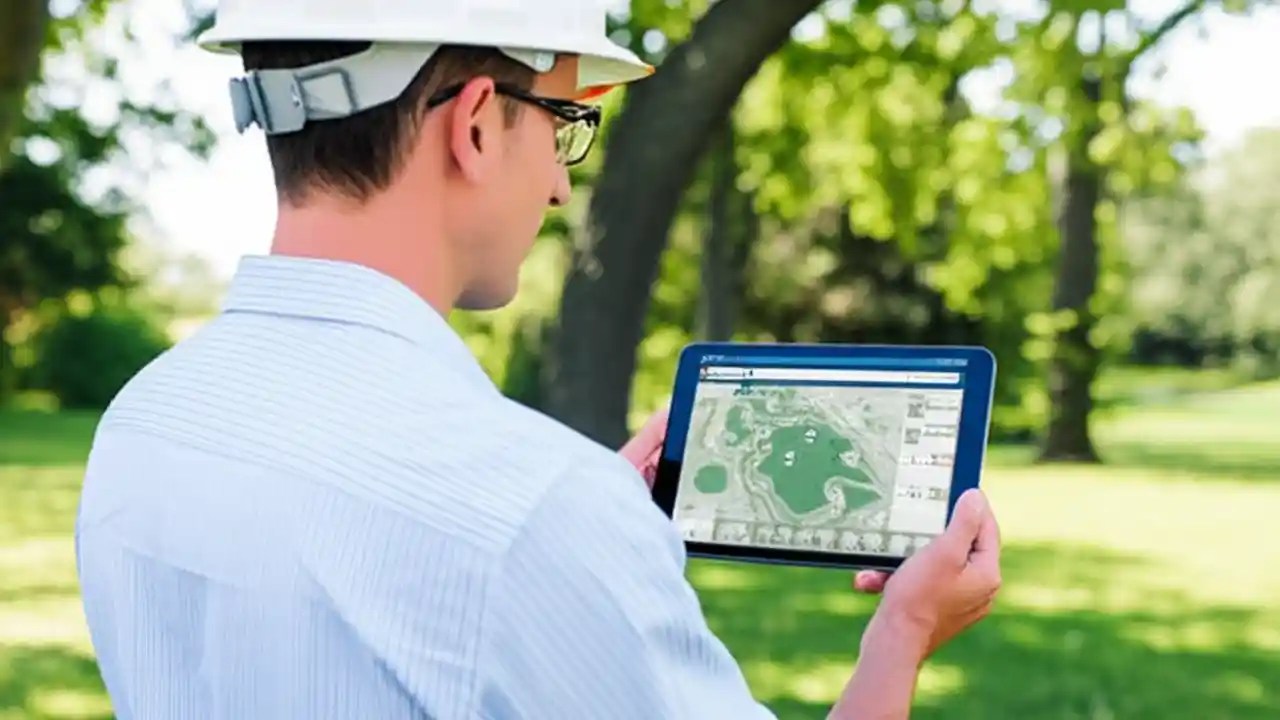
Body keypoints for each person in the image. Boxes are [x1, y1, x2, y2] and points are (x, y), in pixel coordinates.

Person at [74, 1, 1003, 718]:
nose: (560, 182)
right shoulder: (533, 513)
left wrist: (583, 523)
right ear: (476, 124)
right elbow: (489, 541)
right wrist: (904, 634)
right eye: (562, 122)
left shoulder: (148, 416)